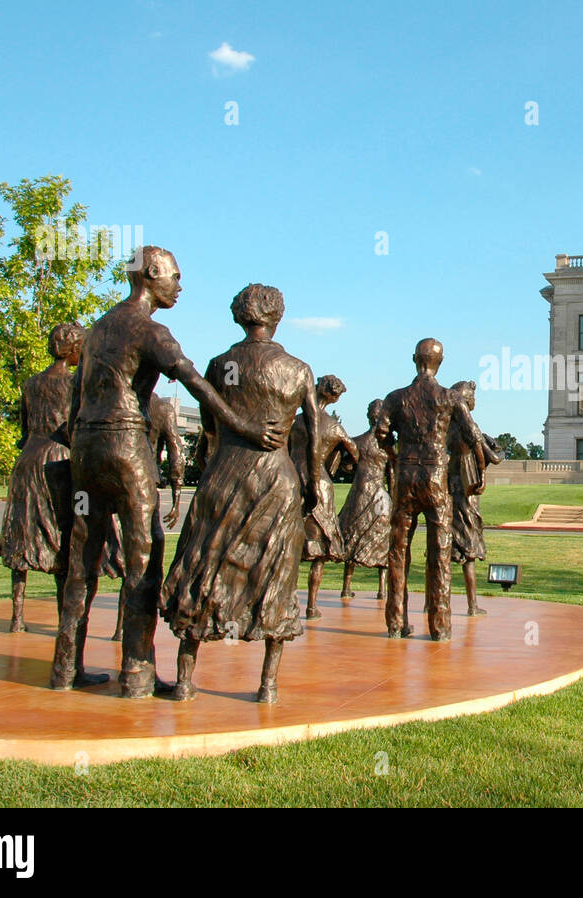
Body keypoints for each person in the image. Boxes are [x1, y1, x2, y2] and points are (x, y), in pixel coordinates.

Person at [50, 246, 284, 697]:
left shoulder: (98, 329)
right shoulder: (151, 331)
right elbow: (199, 386)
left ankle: (65, 669)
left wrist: (79, 444)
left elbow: (77, 397)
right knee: (143, 555)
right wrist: (247, 426)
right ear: (150, 275)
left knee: (82, 560)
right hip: (124, 446)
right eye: (174, 277)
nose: (179, 285)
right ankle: (137, 674)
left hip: (86, 446)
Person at [160, 284, 317, 703]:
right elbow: (314, 436)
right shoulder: (299, 369)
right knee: (276, 576)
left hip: (224, 476)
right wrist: (314, 486)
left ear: (239, 316)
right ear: (277, 317)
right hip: (277, 480)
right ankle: (267, 685)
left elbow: (211, 426)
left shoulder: (219, 365)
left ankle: (184, 679)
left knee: (205, 566)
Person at [0, 323, 120, 632]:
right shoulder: (77, 383)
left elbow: (24, 432)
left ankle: (17, 618)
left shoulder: (31, 384)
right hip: (60, 459)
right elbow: (77, 427)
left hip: (27, 462)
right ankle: (66, 617)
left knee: (22, 533)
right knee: (65, 535)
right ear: (75, 349)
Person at [376, 338, 485, 641]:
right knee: (440, 551)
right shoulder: (449, 398)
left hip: (407, 475)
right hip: (436, 477)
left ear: (414, 359)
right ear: (441, 361)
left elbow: (381, 433)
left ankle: (397, 622)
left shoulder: (396, 398)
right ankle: (440, 625)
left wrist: (396, 455)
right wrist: (477, 469)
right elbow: (473, 435)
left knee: (398, 550)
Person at [111, 391, 185, 640]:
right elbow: (176, 453)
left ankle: (120, 629)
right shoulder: (162, 409)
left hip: (110, 480)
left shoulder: (113, 398)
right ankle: (135, 638)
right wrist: (176, 500)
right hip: (143, 483)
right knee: (146, 555)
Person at [289, 375, 356, 619]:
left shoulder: (294, 421)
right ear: (335, 398)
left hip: (292, 480)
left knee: (288, 543)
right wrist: (340, 461)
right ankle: (311, 606)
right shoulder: (334, 428)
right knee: (319, 549)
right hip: (320, 485)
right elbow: (356, 456)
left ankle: (287, 599)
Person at [446, 381, 504, 616]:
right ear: (464, 399)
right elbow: (492, 458)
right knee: (468, 549)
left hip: (449, 484)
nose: (474, 400)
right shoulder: (471, 426)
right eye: (471, 396)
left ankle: (433, 602)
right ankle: (472, 605)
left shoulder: (446, 427)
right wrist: (498, 449)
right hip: (468, 485)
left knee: (445, 545)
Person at [336, 400, 392, 600]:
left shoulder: (358, 441)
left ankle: (346, 586)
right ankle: (381, 589)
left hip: (360, 491)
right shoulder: (387, 445)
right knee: (382, 537)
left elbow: (346, 466)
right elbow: (392, 474)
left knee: (354, 533)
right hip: (378, 493)